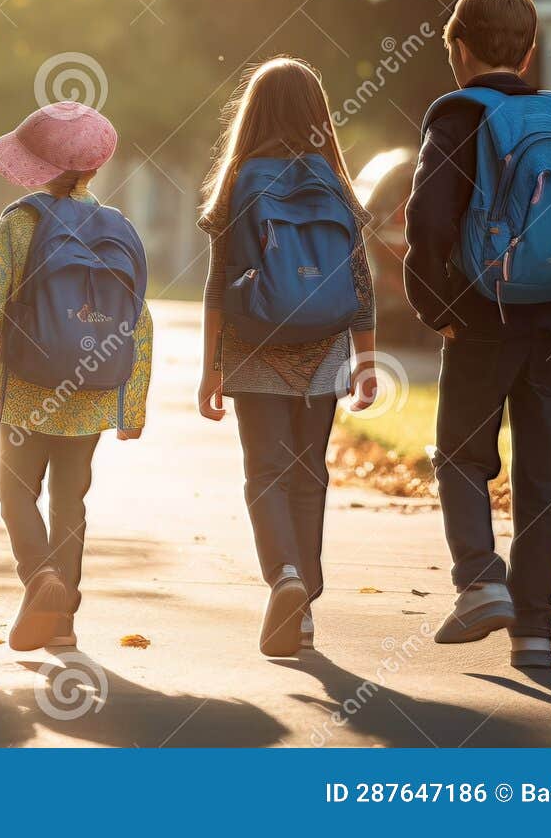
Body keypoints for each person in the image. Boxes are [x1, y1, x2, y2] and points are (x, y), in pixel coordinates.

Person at [405, 0, 551, 668]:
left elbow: (426, 222)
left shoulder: (456, 121)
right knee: (543, 476)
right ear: (530, 50)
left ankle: (479, 583)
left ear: (459, 48)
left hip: (483, 315)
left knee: (460, 456)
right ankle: (533, 629)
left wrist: (434, 307)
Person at [196, 58, 378, 658]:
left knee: (264, 475)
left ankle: (285, 579)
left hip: (254, 345)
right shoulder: (332, 177)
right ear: (316, 113)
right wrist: (367, 359)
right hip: (324, 348)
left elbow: (220, 282)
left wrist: (210, 367)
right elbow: (359, 275)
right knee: (309, 476)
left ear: (254, 114)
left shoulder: (242, 177)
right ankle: (305, 607)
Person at [0, 101, 153, 652]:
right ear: (94, 169)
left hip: (26, 389)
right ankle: (62, 617)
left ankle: (39, 575)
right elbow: (141, 321)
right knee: (72, 500)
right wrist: (131, 404)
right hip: (91, 391)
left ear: (34, 167)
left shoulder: (21, 223)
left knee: (14, 491)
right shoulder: (118, 228)